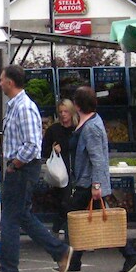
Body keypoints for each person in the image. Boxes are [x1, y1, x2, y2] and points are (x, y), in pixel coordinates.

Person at [0, 64, 73, 272]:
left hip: (22, 168)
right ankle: (60, 251)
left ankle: (8, 270)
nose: (0, 83)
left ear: (10, 82)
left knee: (10, 219)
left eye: (2, 79)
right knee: (21, 215)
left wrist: (15, 163)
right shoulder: (15, 106)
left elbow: (33, 144)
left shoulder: (24, 107)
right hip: (19, 168)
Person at [65, 86, 136, 272]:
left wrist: (97, 185)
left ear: (77, 104)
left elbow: (97, 158)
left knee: (76, 217)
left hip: (89, 183)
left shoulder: (91, 127)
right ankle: (75, 261)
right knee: (88, 219)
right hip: (87, 181)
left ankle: (129, 255)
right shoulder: (90, 121)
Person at [42, 99, 77, 237]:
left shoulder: (77, 129)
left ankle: (64, 230)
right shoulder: (53, 130)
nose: (63, 114)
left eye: (66, 111)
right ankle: (60, 229)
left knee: (72, 203)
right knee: (65, 202)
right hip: (61, 173)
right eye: (61, 112)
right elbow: (44, 151)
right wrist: (53, 149)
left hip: (76, 170)